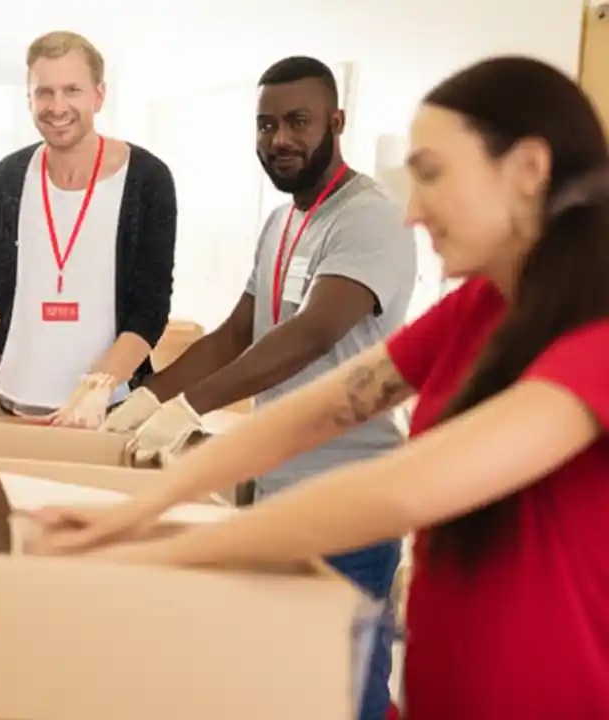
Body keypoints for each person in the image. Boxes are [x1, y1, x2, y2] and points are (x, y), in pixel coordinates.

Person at [33, 56, 609, 719]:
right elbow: (323, 407)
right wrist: (138, 505)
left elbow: (403, 488)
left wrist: (165, 548)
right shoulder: (484, 302)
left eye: (432, 175)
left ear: (529, 170)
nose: (413, 212)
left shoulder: (595, 337)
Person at [100, 56, 416, 720]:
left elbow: (311, 333)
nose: (281, 139)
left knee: (346, 689)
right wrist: (147, 397)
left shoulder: (366, 219)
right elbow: (233, 333)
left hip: (350, 496)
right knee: (290, 683)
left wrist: (190, 406)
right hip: (282, 490)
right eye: (267, 124)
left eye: (298, 121)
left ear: (336, 122)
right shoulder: (282, 222)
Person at [0, 30, 177, 430]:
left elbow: (151, 308)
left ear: (98, 95)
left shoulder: (147, 179)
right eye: (45, 93)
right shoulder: (8, 178)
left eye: (72, 90)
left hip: (104, 414)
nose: (57, 107)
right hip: (10, 405)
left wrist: (100, 385)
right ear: (29, 100)